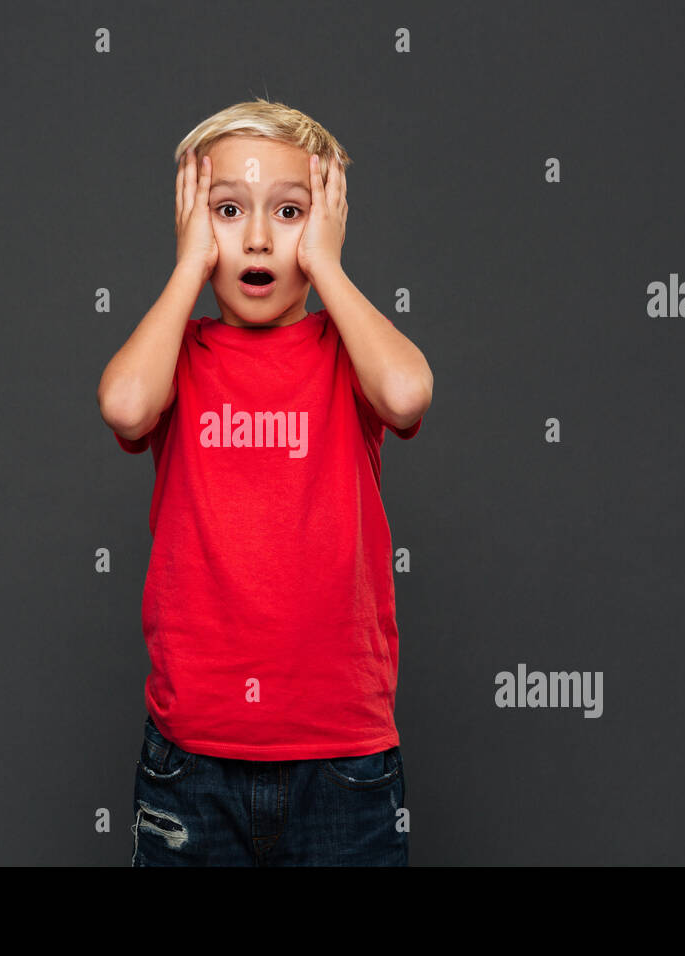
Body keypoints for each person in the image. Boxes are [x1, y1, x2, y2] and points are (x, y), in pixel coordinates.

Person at [97, 98, 433, 865]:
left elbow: (409, 393)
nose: (255, 237)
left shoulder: (344, 352)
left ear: (326, 224)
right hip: (194, 762)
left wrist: (329, 269)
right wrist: (188, 266)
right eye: (226, 210)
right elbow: (123, 404)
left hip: (342, 759)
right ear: (191, 221)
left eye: (288, 211)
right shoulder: (178, 354)